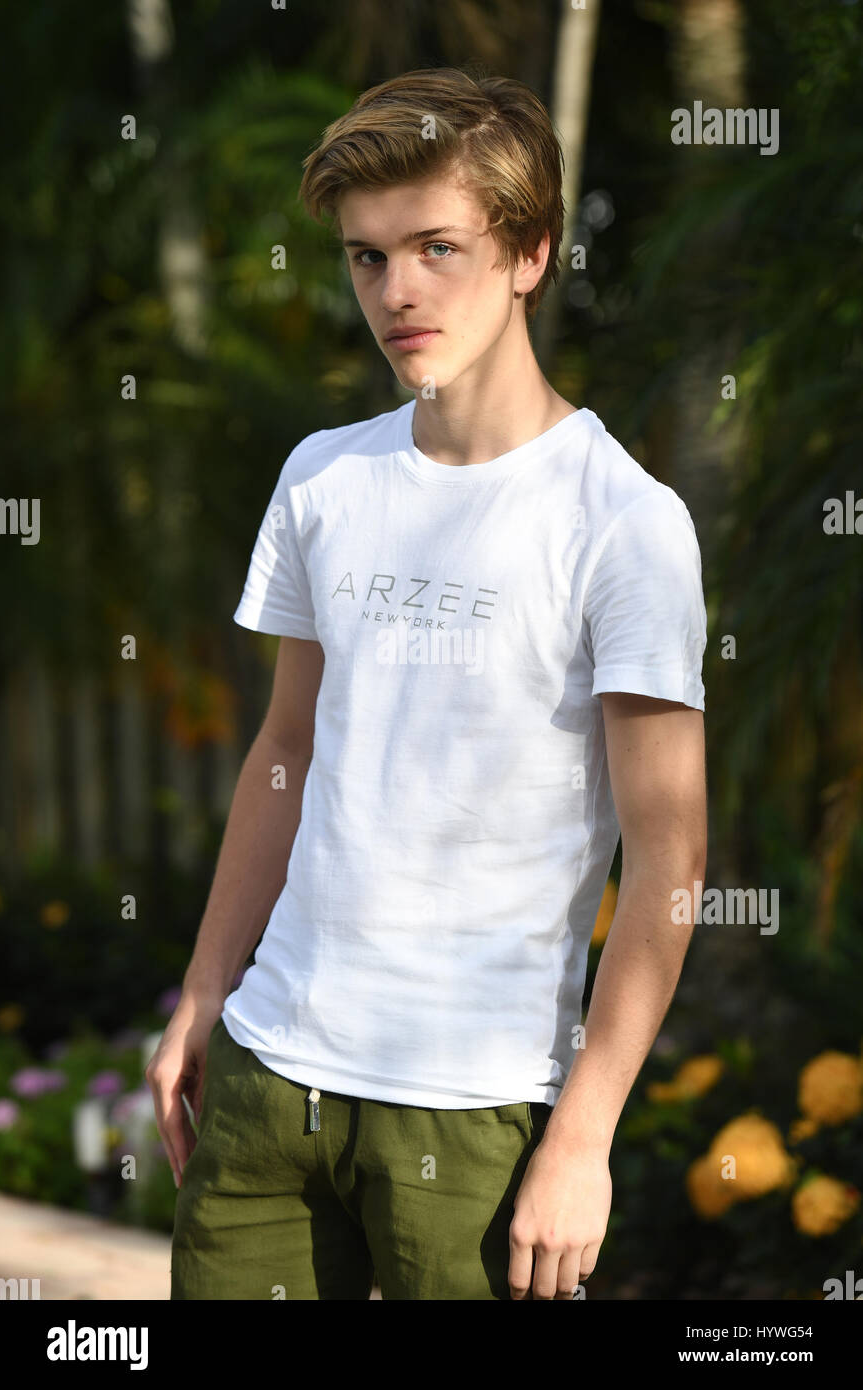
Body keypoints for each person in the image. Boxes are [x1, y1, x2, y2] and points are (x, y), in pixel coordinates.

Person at [147, 65, 708, 1301]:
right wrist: (202, 989)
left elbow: (669, 865)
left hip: (474, 1116)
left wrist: (584, 1134)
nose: (396, 291)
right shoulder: (322, 479)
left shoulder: (621, 521)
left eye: (436, 247)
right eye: (365, 257)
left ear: (528, 254)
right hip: (267, 1078)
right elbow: (283, 752)